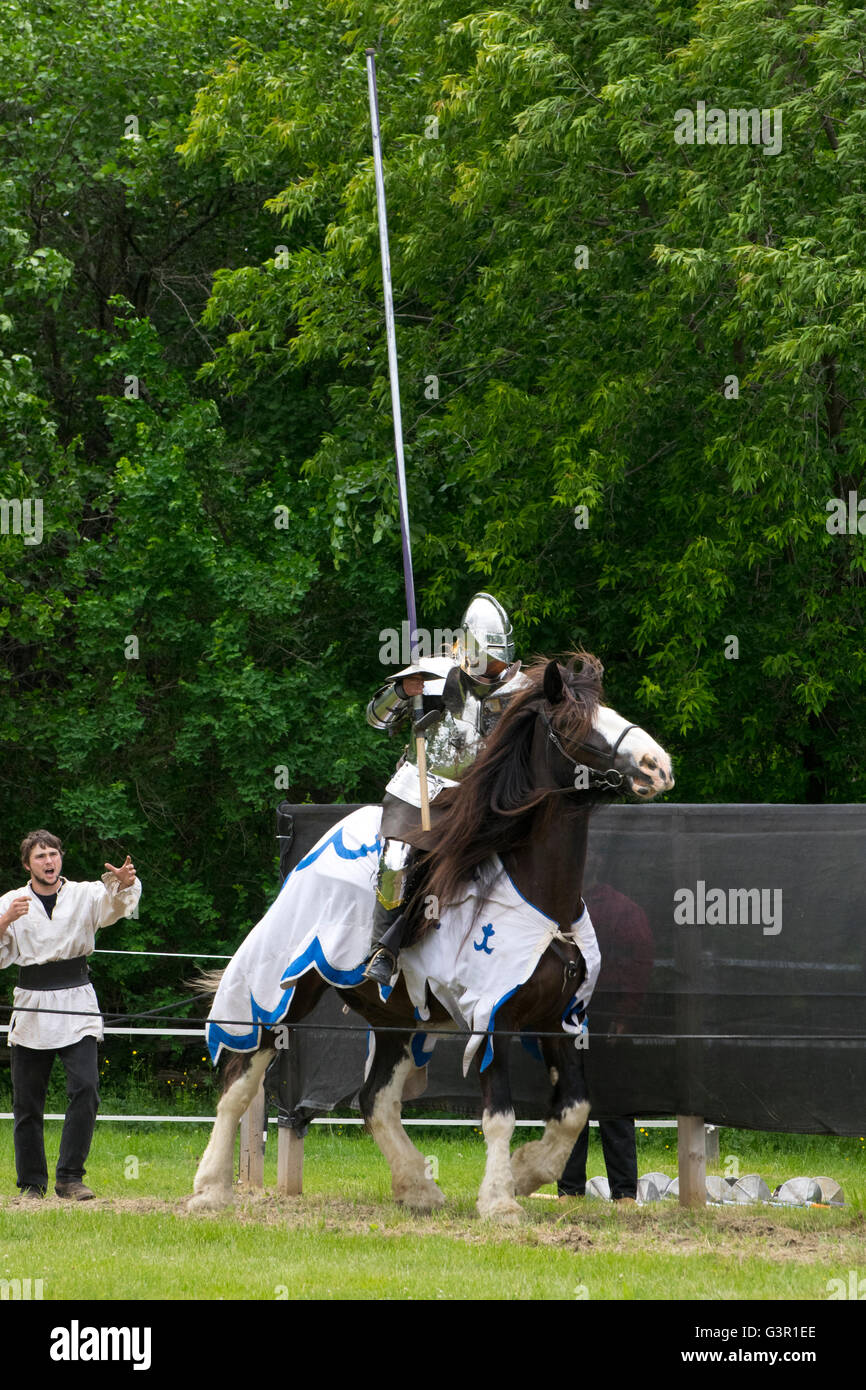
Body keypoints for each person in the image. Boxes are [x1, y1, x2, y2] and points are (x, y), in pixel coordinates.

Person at [362, 592, 526, 984]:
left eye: (501, 660)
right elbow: (375, 720)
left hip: (482, 796)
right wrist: (402, 693)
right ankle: (383, 949)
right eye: (488, 659)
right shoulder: (434, 672)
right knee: (399, 854)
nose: (495, 669)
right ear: (468, 650)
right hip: (424, 790)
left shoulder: (518, 690)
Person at [0, 830, 141, 1200]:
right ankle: (32, 1184)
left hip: (77, 1001)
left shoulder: (84, 894)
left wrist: (123, 883)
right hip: (31, 1005)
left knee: (86, 1088)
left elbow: (117, 905)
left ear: (60, 857)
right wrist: (4, 921)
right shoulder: (11, 902)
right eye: (40, 856)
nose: (48, 861)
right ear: (27, 864)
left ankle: (69, 1178)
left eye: (53, 854)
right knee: (27, 1101)